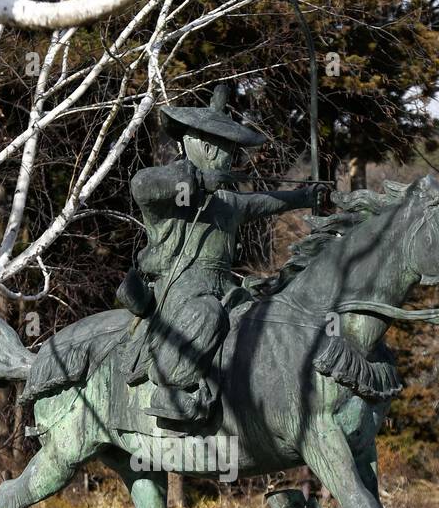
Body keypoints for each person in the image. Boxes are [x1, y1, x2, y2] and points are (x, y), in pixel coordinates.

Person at [120, 82, 320, 424]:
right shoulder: (174, 193)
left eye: (229, 146)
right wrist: (195, 181)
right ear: (196, 144)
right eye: (219, 145)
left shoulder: (229, 201)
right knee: (207, 315)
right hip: (181, 288)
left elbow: (267, 201)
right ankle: (171, 388)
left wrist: (303, 196)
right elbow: (141, 185)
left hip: (227, 286)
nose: (226, 154)